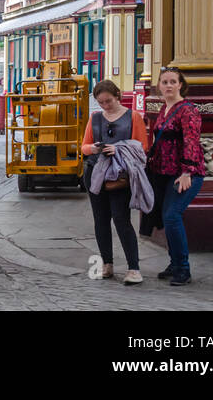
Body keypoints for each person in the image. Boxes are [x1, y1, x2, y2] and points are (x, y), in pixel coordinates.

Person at [81, 79, 151, 285]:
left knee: (121, 219)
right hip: (96, 174)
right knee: (101, 221)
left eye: (108, 101)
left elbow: (142, 147)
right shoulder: (95, 118)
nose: (105, 106)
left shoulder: (133, 117)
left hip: (121, 176)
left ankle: (134, 268)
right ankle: (107, 264)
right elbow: (83, 147)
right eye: (101, 102)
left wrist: (118, 149)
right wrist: (93, 148)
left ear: (117, 96)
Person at [140, 66, 204, 286]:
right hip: (162, 173)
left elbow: (191, 140)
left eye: (172, 82)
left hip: (184, 174)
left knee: (172, 216)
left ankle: (183, 269)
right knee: (166, 218)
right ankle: (174, 263)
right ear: (159, 85)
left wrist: (187, 171)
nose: (168, 85)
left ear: (181, 85)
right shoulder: (163, 109)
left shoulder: (188, 110)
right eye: (164, 82)